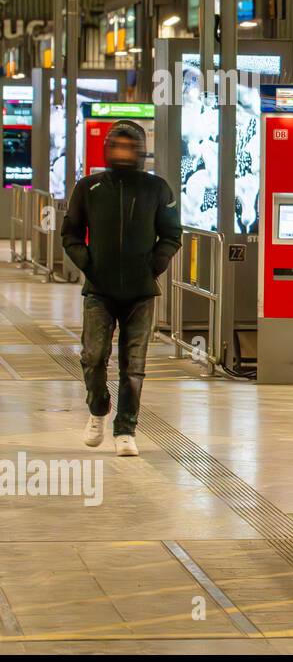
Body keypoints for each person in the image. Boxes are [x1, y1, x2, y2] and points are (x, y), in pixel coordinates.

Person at [61, 121, 181, 455]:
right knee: (93, 356)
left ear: (141, 151)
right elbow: (70, 232)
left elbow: (171, 234)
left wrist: (155, 264)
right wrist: (87, 263)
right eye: (118, 146)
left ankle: (126, 430)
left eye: (131, 147)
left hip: (141, 292)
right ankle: (98, 409)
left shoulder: (157, 189)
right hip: (99, 290)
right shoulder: (89, 188)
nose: (124, 152)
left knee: (134, 365)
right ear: (108, 148)